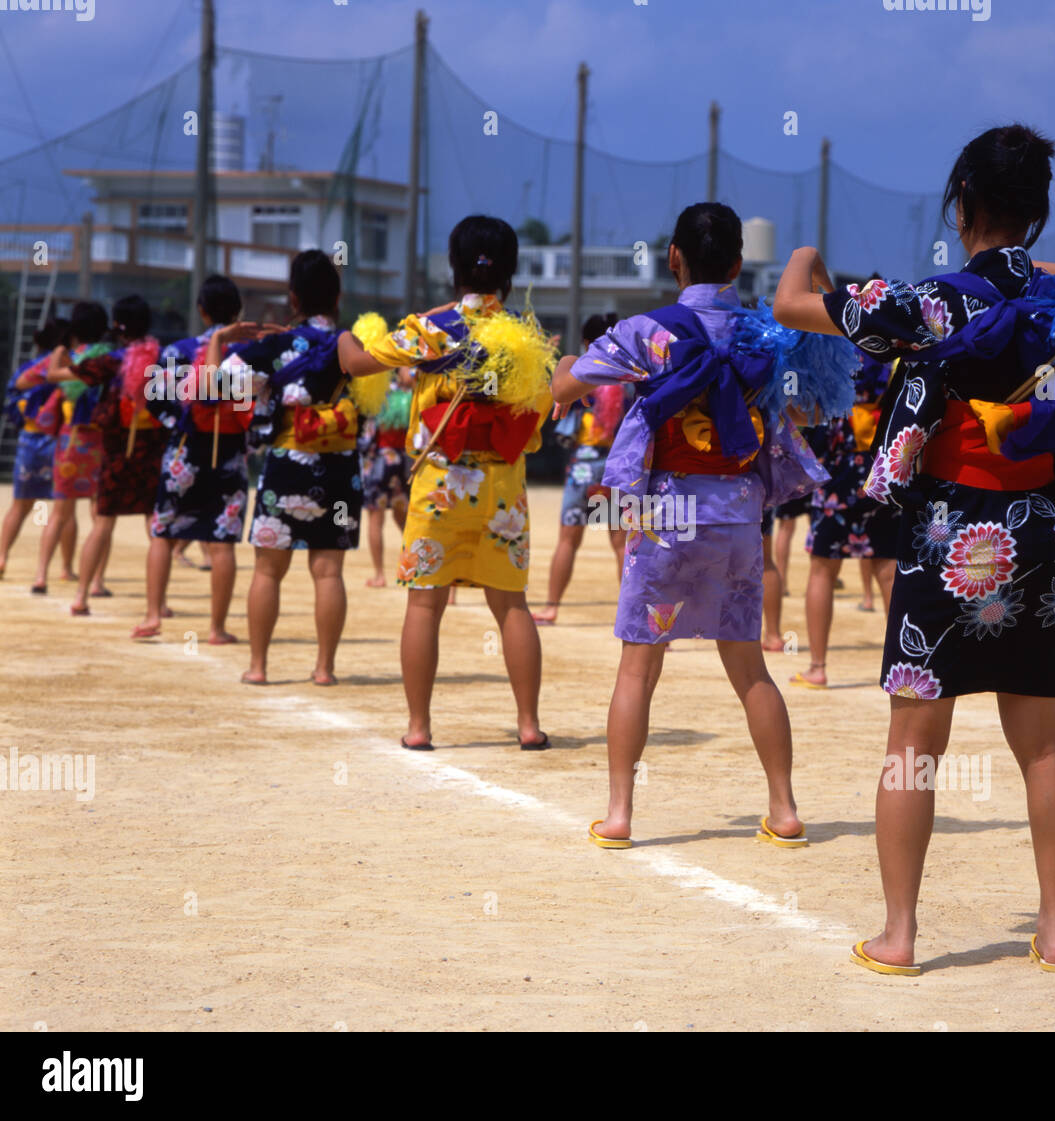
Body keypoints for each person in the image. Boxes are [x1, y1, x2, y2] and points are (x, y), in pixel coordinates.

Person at [774, 125, 1055, 974]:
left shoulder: (930, 300)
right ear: (1038, 211)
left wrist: (803, 251)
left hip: (951, 534)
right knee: (1043, 745)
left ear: (962, 207)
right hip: (1044, 536)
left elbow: (792, 306)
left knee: (914, 743)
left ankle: (901, 933)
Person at [552, 201, 827, 848]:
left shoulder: (647, 330)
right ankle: (783, 807)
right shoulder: (766, 332)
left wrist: (565, 364)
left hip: (666, 511)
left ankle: (619, 814)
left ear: (673, 257)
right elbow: (809, 405)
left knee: (638, 667)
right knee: (750, 666)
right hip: (736, 510)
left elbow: (567, 389)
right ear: (737, 263)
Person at [337, 215, 553, 750]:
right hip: (502, 486)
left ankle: (419, 728)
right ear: (510, 271)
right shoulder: (525, 337)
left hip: (440, 484)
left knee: (424, 604)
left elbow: (358, 364)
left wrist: (344, 334)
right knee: (511, 606)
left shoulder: (428, 328)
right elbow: (540, 408)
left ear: (453, 268)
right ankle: (528, 725)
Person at [215, 250, 363, 686]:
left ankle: (258, 666)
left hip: (286, 466)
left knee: (267, 571)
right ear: (337, 296)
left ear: (293, 296)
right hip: (339, 467)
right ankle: (324, 669)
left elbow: (221, 382)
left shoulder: (273, 345)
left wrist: (224, 340)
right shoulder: (354, 344)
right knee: (329, 572)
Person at [134, 274, 249, 643]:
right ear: (238, 312)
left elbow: (153, 398)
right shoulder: (246, 352)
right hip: (229, 450)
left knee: (164, 531)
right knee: (222, 539)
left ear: (201, 311)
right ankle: (216, 628)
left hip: (184, 450)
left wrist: (176, 423)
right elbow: (260, 402)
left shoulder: (177, 351)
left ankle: (153, 614)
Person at [791, 354, 899, 688]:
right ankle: (902, 663)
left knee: (823, 568)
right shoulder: (888, 353)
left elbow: (806, 413)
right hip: (880, 472)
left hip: (836, 471)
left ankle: (817, 666)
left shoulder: (829, 355)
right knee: (889, 569)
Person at [66, 295, 167, 618]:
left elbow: (79, 373)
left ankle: (82, 595)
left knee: (103, 523)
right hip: (152, 453)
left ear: (119, 327)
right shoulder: (163, 358)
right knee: (155, 528)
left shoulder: (114, 360)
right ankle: (158, 604)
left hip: (115, 454)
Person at [532, 313, 628, 624]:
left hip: (583, 466)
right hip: (615, 465)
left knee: (568, 540)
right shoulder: (628, 377)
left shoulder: (582, 375)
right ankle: (631, 612)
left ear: (588, 344)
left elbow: (557, 400)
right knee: (620, 542)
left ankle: (552, 606)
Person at [32, 303, 110, 596]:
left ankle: (41, 575)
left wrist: (59, 351)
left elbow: (51, 376)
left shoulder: (72, 360)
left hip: (70, 441)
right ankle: (96, 581)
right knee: (100, 516)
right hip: (101, 440)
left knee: (60, 512)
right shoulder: (107, 359)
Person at [0, 320, 65, 579]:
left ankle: (1, 557)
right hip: (57, 440)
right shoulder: (67, 366)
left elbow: (12, 402)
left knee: (21, 505)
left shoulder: (27, 369)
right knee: (61, 510)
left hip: (29, 439)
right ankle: (63, 568)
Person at [358, 367, 413, 588]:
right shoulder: (418, 393)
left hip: (383, 460)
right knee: (391, 518)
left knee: (399, 519)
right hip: (402, 461)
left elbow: (368, 434)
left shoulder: (382, 393)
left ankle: (385, 573)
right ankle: (383, 572)